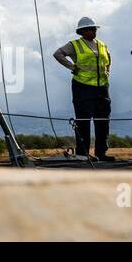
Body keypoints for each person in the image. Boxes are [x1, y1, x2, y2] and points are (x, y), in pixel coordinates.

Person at [53, 16, 114, 161]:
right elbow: (58, 54)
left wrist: (107, 72)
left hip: (102, 88)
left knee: (103, 121)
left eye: (94, 28)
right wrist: (72, 67)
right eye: (89, 29)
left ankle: (101, 153)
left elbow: (108, 60)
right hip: (83, 87)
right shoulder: (75, 45)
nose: (93, 31)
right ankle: (82, 153)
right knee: (83, 121)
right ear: (82, 31)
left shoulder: (102, 45)